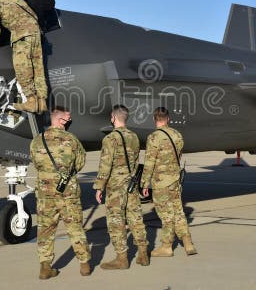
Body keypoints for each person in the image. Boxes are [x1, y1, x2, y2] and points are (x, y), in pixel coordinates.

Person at [29, 106, 92, 279]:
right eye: (68, 118)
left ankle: (45, 267)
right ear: (61, 119)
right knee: (75, 227)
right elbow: (80, 162)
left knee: (45, 230)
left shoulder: (37, 141)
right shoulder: (71, 140)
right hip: (67, 193)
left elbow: (35, 162)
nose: (70, 121)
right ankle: (84, 264)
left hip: (45, 193)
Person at [94, 105, 149, 269]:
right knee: (135, 218)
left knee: (116, 221)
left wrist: (99, 187)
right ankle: (143, 253)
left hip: (116, 186)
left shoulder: (110, 139)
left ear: (113, 117)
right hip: (131, 184)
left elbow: (105, 164)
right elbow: (136, 160)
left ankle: (122, 258)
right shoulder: (134, 137)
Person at [141, 107, 197, 257]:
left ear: (154, 119)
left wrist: (145, 184)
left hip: (161, 182)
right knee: (178, 211)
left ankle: (166, 246)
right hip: (175, 180)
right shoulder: (177, 135)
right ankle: (188, 243)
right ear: (168, 119)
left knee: (166, 215)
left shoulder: (154, 137)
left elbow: (149, 162)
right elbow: (178, 156)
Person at [0, 0, 47, 113]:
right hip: (36, 33)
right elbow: (33, 14)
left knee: (22, 67)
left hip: (21, 35)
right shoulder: (16, 0)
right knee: (38, 68)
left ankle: (31, 101)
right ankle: (42, 101)